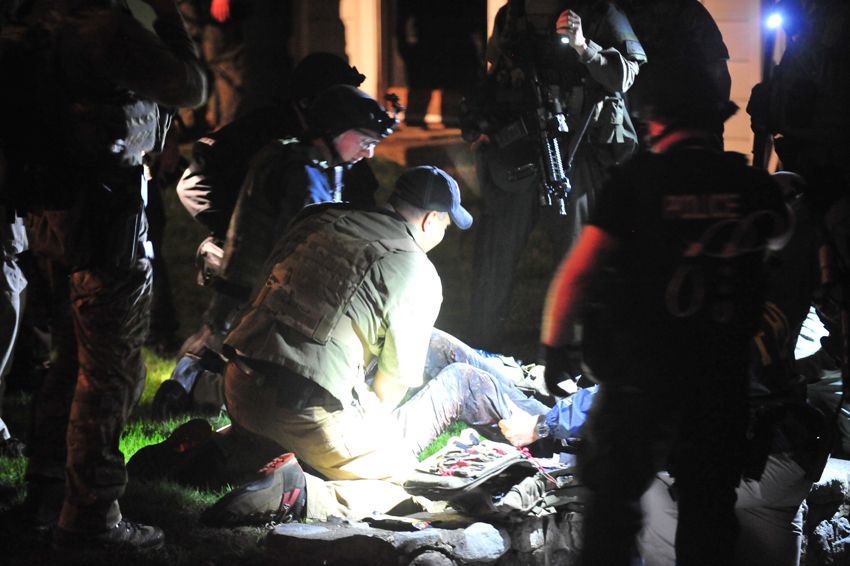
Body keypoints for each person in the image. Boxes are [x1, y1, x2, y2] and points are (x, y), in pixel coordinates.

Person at [539, 63, 792, 566]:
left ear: (654, 121)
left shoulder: (636, 181)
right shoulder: (749, 185)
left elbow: (578, 272)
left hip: (641, 374)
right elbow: (781, 234)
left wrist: (555, 347)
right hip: (720, 380)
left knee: (613, 505)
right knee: (709, 510)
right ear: (714, 124)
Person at [10, 0, 206, 552]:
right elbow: (190, 87)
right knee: (111, 372)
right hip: (105, 218)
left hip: (50, 213)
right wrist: (170, 18)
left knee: (69, 359)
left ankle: (46, 493)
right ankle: (93, 516)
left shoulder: (38, 25)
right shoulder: (105, 26)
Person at [201, 166, 490, 521]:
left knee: (283, 427)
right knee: (411, 482)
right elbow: (393, 383)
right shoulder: (415, 268)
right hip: (300, 407)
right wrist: (367, 427)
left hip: (237, 383)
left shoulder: (322, 218)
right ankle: (300, 494)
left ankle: (216, 452)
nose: (443, 233)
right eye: (446, 225)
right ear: (431, 220)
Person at [153, 83, 395, 417]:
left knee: (223, 338)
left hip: (254, 278)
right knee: (230, 345)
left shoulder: (315, 162)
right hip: (255, 281)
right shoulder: (302, 170)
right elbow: (303, 241)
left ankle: (189, 388)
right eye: (364, 141)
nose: (369, 153)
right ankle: (187, 395)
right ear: (333, 128)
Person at [462, 0, 645, 351]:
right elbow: (494, 72)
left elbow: (625, 76)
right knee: (495, 255)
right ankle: (479, 347)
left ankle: (578, 352)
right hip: (515, 147)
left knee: (579, 259)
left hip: (576, 149)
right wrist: (482, 122)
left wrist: (583, 46)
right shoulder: (512, 14)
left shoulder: (600, 14)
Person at [396, 0, 486, 128]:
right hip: (438, 43)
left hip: (448, 44)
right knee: (425, 98)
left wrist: (403, 43)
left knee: (450, 100)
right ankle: (420, 126)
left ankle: (441, 127)